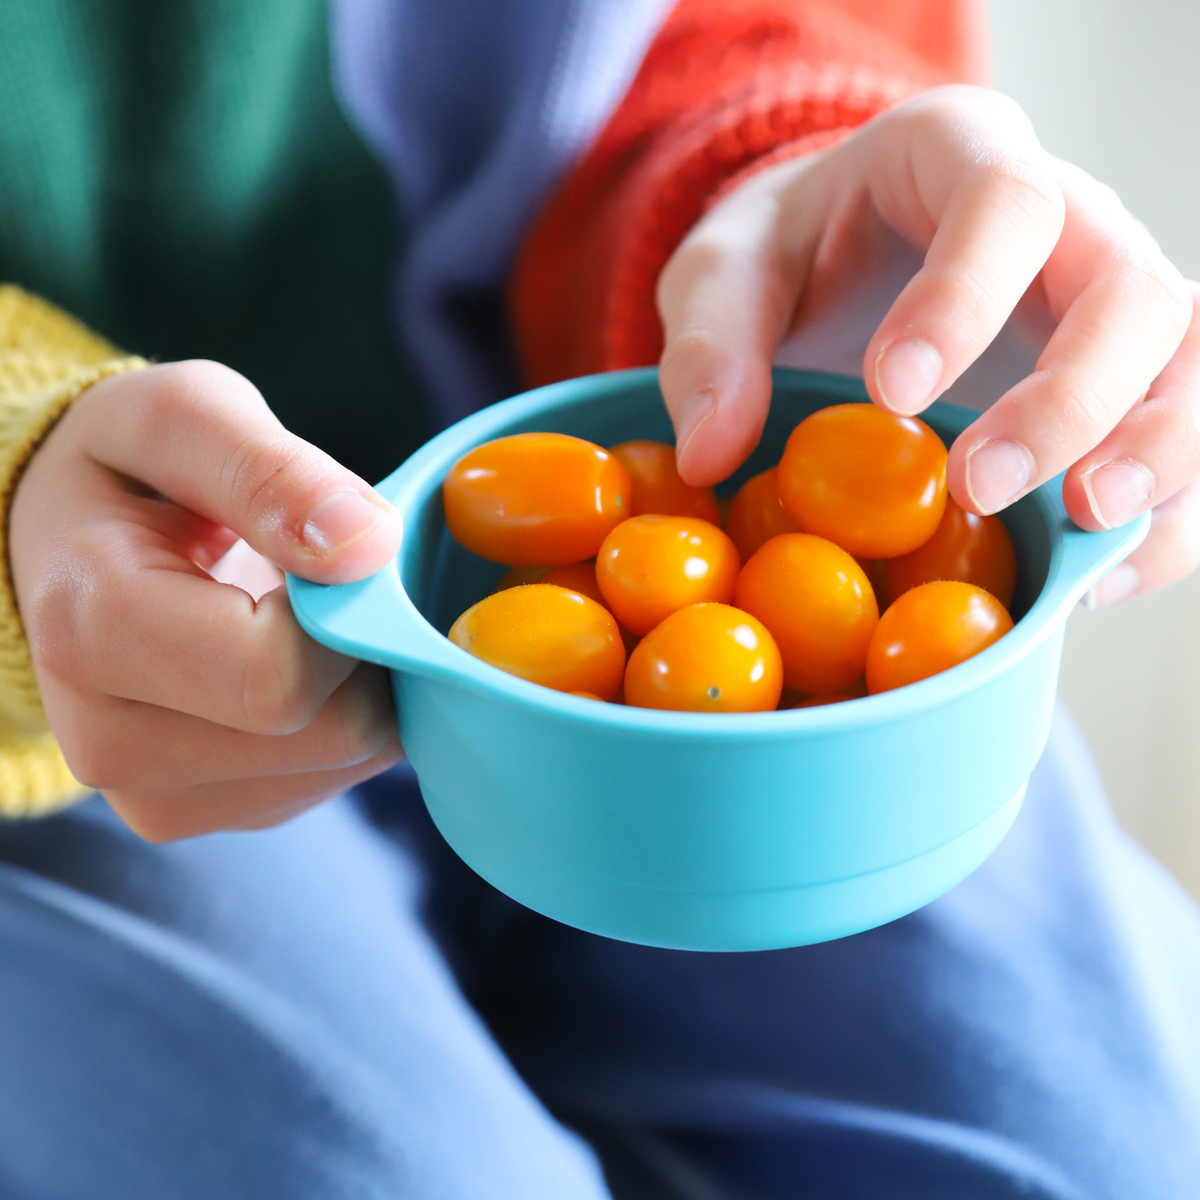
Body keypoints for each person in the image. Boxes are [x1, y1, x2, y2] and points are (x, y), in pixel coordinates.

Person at [0, 0, 1197, 1195]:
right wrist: (17, 472)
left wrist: (785, 208)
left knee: (1124, 1155)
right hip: (88, 704)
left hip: (761, 695)